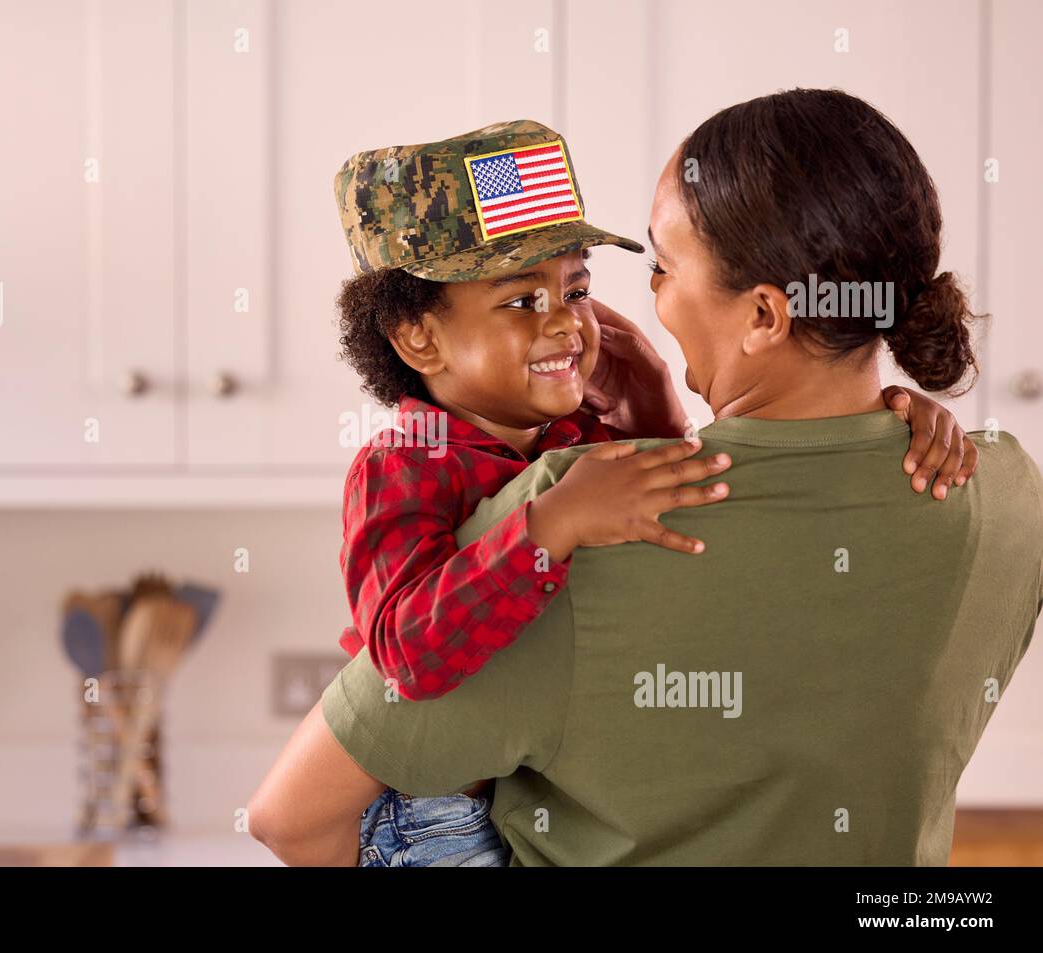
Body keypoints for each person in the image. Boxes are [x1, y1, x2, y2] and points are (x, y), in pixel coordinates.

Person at [249, 90, 1042, 866]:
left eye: (651, 269)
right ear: (417, 339)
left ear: (764, 317)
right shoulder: (1005, 489)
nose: (581, 318)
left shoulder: (579, 495)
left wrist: (627, 454)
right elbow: (407, 651)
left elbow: (289, 819)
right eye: (521, 299)